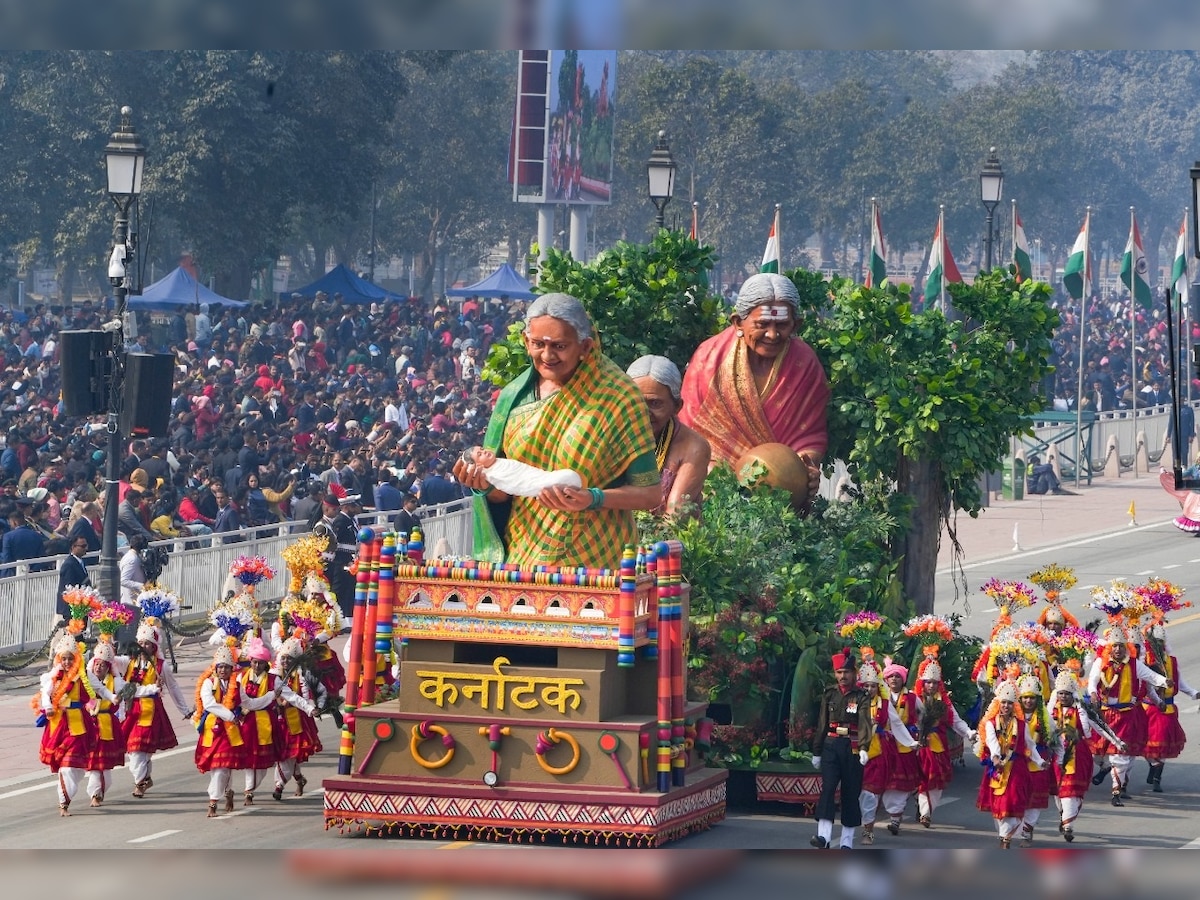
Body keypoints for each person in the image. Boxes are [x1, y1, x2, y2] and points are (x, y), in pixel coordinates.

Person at [453, 293, 660, 569]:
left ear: (585, 346)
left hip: (597, 561)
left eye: (559, 346)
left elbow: (650, 493)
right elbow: (506, 493)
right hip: (524, 561)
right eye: (538, 344)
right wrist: (485, 485)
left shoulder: (619, 397)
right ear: (526, 341)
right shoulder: (514, 397)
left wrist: (593, 499)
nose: (548, 356)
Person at [679, 273, 829, 500]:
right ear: (738, 322)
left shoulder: (805, 363)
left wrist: (804, 467)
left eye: (782, 325)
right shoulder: (709, 359)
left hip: (782, 490)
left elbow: (811, 433)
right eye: (762, 324)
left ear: (795, 324)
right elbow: (689, 428)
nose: (772, 334)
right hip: (712, 483)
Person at [1085, 625, 1170, 806]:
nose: (1117, 649)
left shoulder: (1134, 664)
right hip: (1104, 715)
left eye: (1121, 646)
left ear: (1126, 647)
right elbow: (1092, 681)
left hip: (1126, 716)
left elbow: (1151, 677)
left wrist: (1164, 681)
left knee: (1121, 756)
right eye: (1114, 646)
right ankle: (1108, 770)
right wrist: (1092, 693)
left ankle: (1116, 791)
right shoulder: (1101, 662)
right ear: (1110, 647)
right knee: (1097, 755)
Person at [626, 355, 711, 517]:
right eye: (636, 402)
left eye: (655, 403)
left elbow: (674, 516)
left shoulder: (694, 447)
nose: (644, 412)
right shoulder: (612, 435)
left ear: (677, 406)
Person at [808, 648, 872, 850]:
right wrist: (817, 751)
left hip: (852, 748)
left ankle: (846, 842)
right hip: (831, 745)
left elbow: (865, 723)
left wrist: (864, 747)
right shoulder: (830, 694)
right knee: (828, 789)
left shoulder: (861, 696)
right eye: (839, 672)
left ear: (854, 673)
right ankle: (823, 837)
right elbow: (822, 723)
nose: (843, 676)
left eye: (846, 672)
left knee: (850, 794)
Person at [976, 679, 1047, 849]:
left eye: (1009, 703)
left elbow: (1030, 745)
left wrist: (1040, 761)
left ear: (1014, 705)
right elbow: (992, 742)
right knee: (999, 804)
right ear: (998, 704)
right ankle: (1004, 834)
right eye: (1003, 703)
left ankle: (1006, 838)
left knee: (1014, 801)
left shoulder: (1021, 725)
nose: (1006, 706)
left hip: (1017, 769)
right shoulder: (991, 724)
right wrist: (995, 758)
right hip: (998, 768)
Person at [122, 619, 187, 798]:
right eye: (141, 643)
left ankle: (140, 783)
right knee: (136, 751)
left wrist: (185, 710)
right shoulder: (129, 662)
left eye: (147, 644)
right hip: (131, 711)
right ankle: (145, 778)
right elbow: (109, 662)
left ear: (153, 646)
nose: (143, 647)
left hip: (150, 712)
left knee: (139, 750)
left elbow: (173, 687)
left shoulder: (160, 666)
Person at [34, 632, 96, 816]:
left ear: (75, 658)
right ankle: (64, 802)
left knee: (76, 768)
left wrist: (107, 702)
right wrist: (48, 708)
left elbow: (97, 692)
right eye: (64, 658)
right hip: (59, 725)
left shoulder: (83, 676)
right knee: (66, 766)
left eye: (70, 658)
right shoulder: (54, 677)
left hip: (78, 725)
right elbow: (46, 695)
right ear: (59, 659)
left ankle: (66, 796)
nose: (67, 662)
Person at [856, 662, 917, 845]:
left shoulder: (884, 704)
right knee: (861, 793)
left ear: (878, 687)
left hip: (879, 752)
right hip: (856, 751)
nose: (869, 689)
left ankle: (868, 831)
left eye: (873, 686)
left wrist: (910, 742)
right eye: (866, 686)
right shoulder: (853, 702)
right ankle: (861, 823)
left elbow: (897, 724)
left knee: (871, 792)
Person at [1140, 618, 1199, 793]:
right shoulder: (1144, 661)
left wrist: (1193, 693)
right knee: (1143, 744)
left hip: (1167, 710)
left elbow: (1179, 681)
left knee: (1162, 744)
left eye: (1160, 643)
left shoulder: (1171, 661)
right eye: (1154, 643)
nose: (1158, 646)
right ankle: (1153, 765)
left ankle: (1157, 777)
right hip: (1148, 708)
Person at [915, 660, 975, 828]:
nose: (931, 686)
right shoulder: (914, 699)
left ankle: (926, 813)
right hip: (915, 744)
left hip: (937, 747)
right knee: (915, 780)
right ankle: (918, 806)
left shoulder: (944, 702)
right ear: (922, 683)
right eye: (928, 682)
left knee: (934, 780)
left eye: (935, 683)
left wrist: (969, 732)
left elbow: (956, 721)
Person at [194, 643, 245, 817]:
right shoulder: (208, 683)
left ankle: (213, 802)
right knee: (217, 767)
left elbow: (247, 702)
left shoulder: (236, 685)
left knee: (222, 766)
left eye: (226, 667)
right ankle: (228, 791)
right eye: (220, 667)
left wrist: (270, 696)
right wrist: (230, 716)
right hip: (212, 730)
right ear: (216, 668)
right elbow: (209, 704)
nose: (223, 670)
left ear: (232, 669)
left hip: (229, 732)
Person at [271, 636, 324, 800]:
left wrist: (310, 709)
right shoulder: (274, 675)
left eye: (289, 659)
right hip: (277, 718)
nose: (286, 661)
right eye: (283, 658)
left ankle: (279, 785)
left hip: (296, 719)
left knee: (289, 754)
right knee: (284, 754)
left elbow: (304, 696)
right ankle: (300, 779)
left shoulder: (301, 675)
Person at [1049, 670, 1094, 842]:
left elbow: (1089, 731)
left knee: (1072, 791)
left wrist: (1117, 742)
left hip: (1078, 754)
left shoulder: (1080, 710)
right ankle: (1065, 815)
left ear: (1072, 695)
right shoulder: (1051, 712)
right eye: (1060, 693)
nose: (1063, 697)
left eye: (1067, 694)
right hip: (1056, 755)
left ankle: (1068, 826)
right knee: (1059, 792)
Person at [879, 662, 922, 836]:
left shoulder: (912, 698)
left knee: (900, 784)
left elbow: (924, 715)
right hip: (886, 744)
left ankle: (895, 819)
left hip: (906, 745)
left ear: (903, 679)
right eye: (891, 676)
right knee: (888, 782)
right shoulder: (881, 697)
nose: (894, 679)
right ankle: (896, 813)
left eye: (897, 676)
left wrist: (921, 734)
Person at [83, 639, 127, 808]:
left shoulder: (115, 682)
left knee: (103, 765)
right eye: (97, 664)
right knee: (93, 763)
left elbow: (123, 697)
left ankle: (98, 792)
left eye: (103, 665)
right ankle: (95, 793)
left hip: (108, 724)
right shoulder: (86, 679)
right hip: (89, 724)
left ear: (108, 668)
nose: (99, 667)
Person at [1016, 673, 1057, 847]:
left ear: (1037, 699)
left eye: (1032, 698)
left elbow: (1055, 740)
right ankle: (1015, 829)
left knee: (1035, 799)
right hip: (1018, 763)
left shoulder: (1045, 717)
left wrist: (1060, 760)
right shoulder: (1014, 716)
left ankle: (1027, 830)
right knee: (1018, 797)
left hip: (1039, 763)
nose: (1028, 701)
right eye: (1025, 697)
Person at [460, 444, 583, 496]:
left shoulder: (500, 461)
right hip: (534, 485)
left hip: (540, 475)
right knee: (568, 477)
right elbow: (517, 484)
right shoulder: (493, 475)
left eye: (482, 449)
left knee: (569, 476)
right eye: (480, 455)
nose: (485, 452)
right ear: (477, 466)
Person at [316, 483, 359, 619]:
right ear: (326, 509)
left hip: (332, 563)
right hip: (325, 563)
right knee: (328, 592)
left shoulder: (331, 524)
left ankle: (338, 618)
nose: (336, 512)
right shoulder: (321, 526)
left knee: (335, 592)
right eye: (334, 510)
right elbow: (320, 548)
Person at [55, 534, 92, 626]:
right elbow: (69, 588)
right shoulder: (69, 564)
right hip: (72, 609)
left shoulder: (79, 562)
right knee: (74, 632)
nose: (86, 548)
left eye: (86, 545)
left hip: (80, 606)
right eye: (83, 546)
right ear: (73, 547)